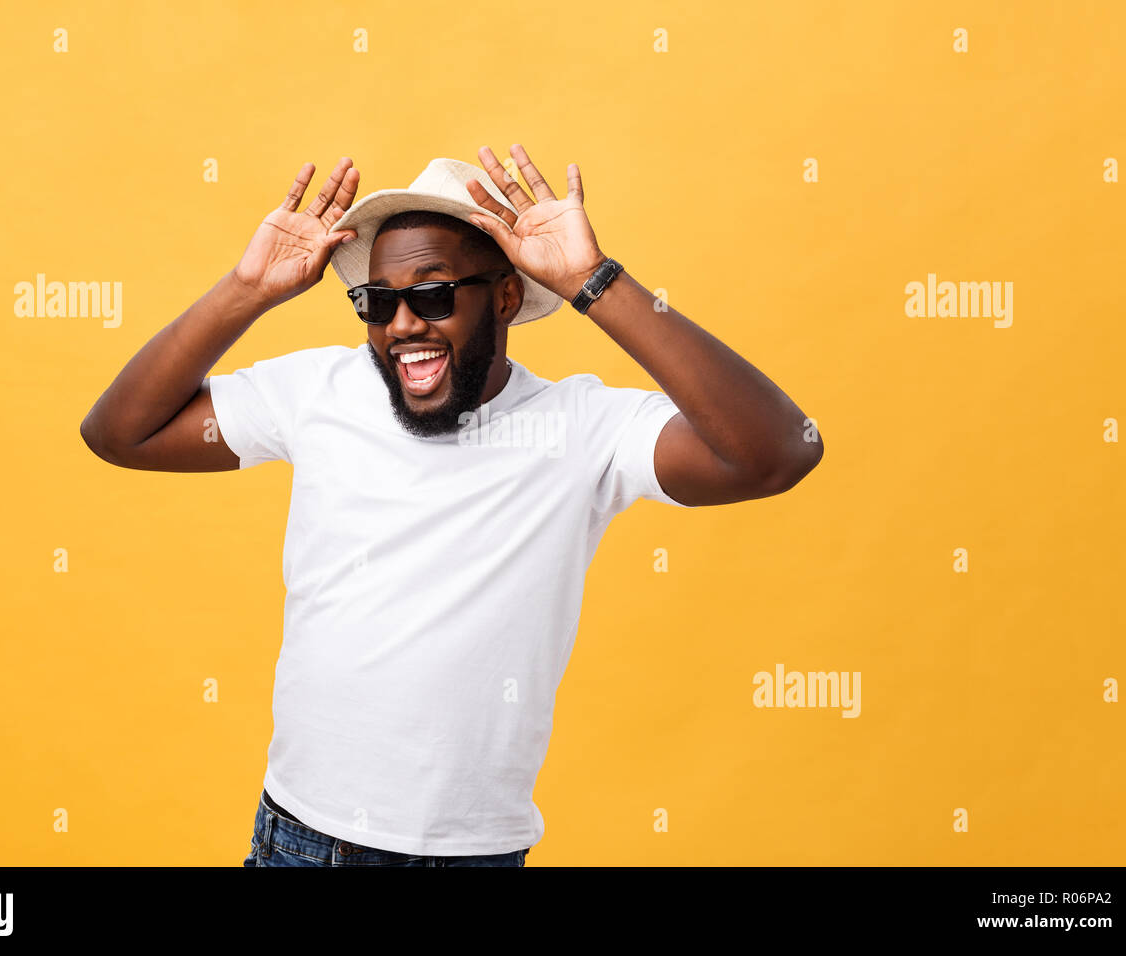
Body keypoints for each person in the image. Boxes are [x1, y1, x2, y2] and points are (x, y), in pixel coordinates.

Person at [79, 145, 824, 867]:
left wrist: (594, 281)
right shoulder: (317, 392)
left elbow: (778, 453)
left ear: (504, 296)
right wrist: (246, 291)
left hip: (476, 854)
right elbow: (118, 432)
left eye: (432, 295)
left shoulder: (581, 427)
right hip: (306, 842)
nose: (402, 325)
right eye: (377, 302)